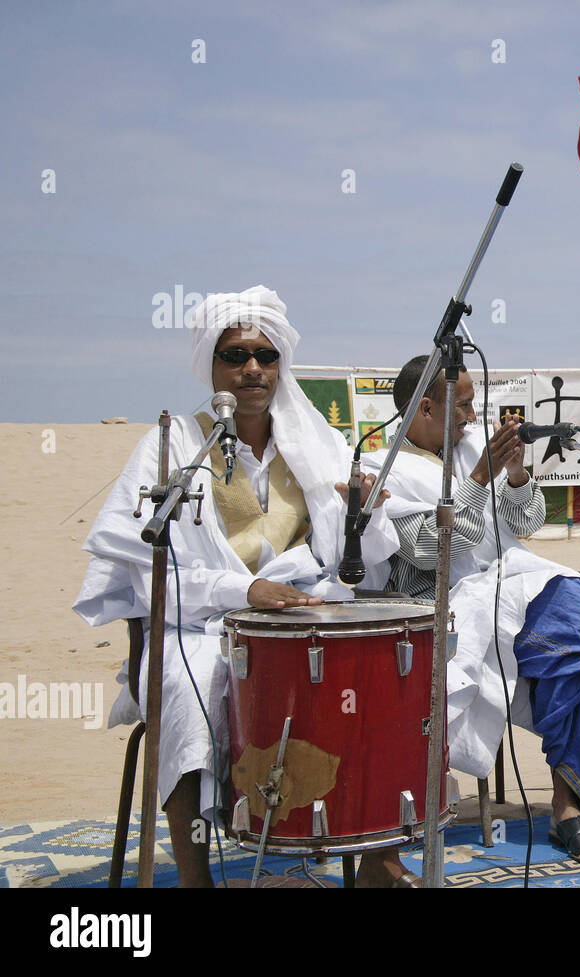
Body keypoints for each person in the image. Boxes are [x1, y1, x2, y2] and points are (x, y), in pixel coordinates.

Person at [74, 286, 403, 886]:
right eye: (235, 355)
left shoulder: (318, 442)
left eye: (266, 354)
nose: (253, 367)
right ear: (212, 365)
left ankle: (373, 857)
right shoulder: (171, 446)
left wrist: (363, 515)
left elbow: (360, 558)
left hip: (304, 607)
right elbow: (137, 558)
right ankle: (196, 874)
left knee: (366, 679)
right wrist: (240, 591)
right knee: (186, 688)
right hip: (192, 623)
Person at [361, 356, 580, 864]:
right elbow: (435, 551)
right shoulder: (383, 470)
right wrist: (480, 478)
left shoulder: (470, 450)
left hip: (516, 593)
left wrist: (511, 476)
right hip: (449, 614)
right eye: (461, 405)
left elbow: (527, 522)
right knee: (566, 615)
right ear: (425, 407)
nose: (470, 415)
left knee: (566, 620)